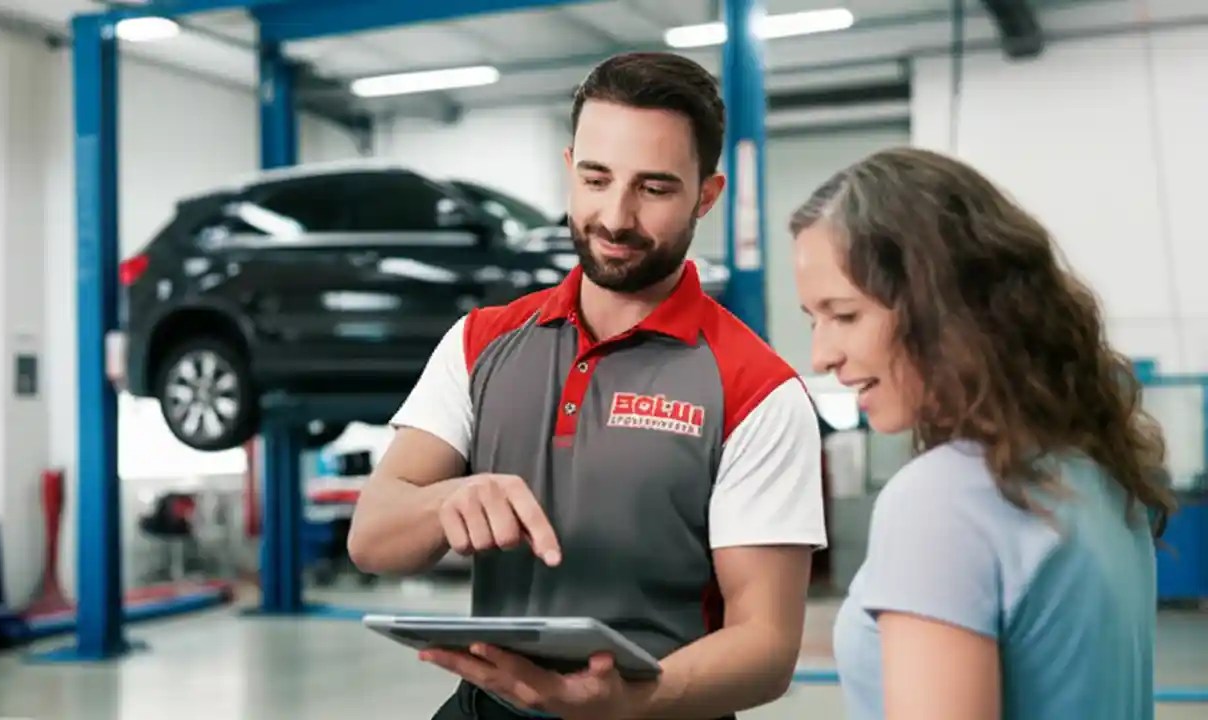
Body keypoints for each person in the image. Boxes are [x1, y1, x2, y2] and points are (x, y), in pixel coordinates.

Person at [348, 51, 827, 720]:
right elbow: (372, 539)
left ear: (706, 196)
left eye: (655, 189)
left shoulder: (756, 390)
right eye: (597, 179)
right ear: (571, 168)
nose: (616, 217)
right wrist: (448, 502)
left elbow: (767, 646)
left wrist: (630, 700)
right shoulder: (480, 342)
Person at [789, 146, 1178, 720]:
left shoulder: (943, 500)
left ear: (942, 305)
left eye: (845, 315)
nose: (822, 355)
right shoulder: (1096, 473)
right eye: (812, 319)